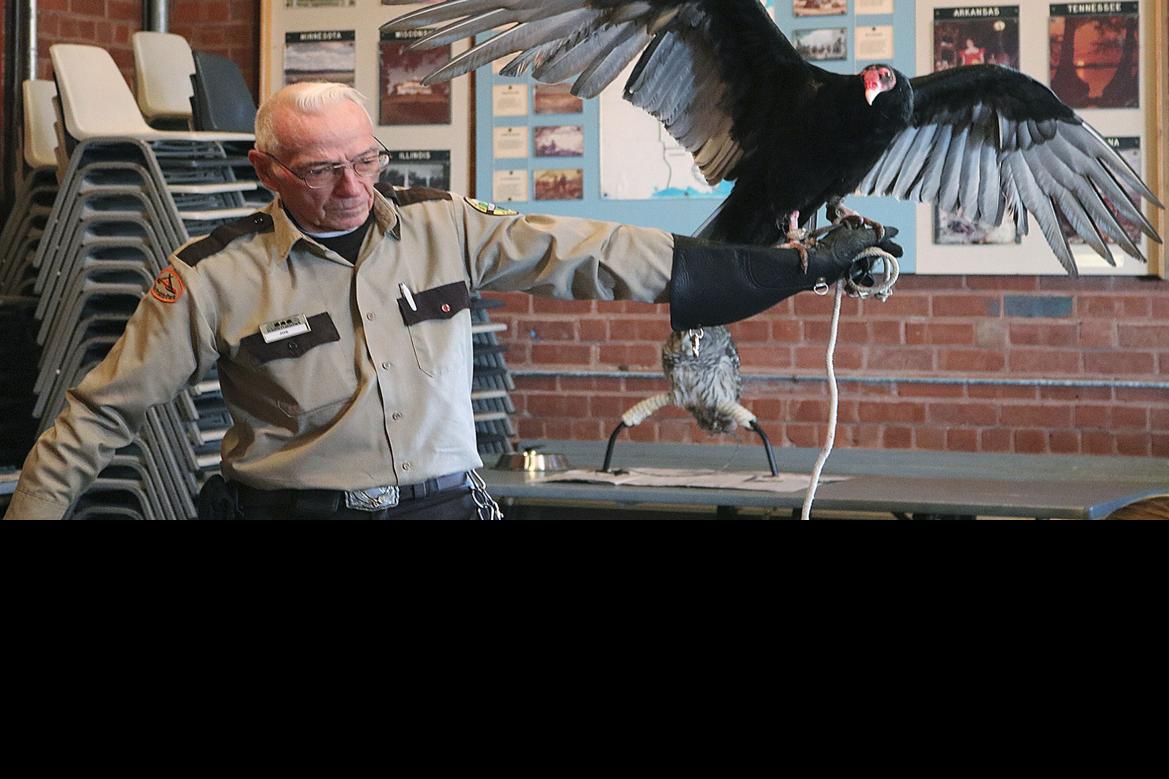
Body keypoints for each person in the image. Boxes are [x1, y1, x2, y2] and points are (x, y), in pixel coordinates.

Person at [4, 83, 897, 520]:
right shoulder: (212, 275)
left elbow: (597, 255)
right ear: (268, 172)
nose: (353, 186)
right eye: (321, 170)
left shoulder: (447, 228)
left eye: (367, 159)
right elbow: (97, 417)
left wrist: (794, 266)